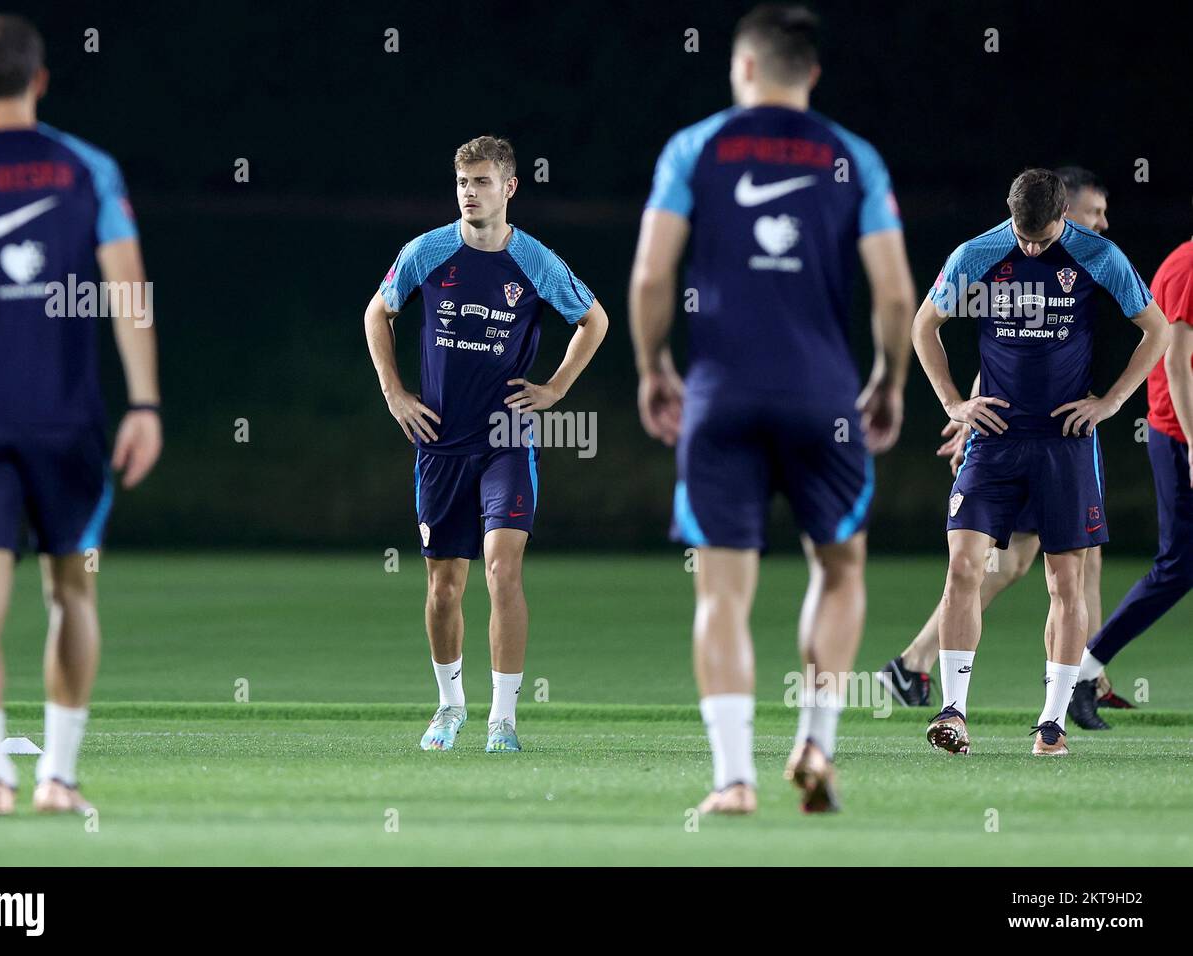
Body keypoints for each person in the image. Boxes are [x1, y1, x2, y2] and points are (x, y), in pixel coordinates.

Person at [629, 3, 915, 813]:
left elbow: (653, 277)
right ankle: (819, 739)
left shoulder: (697, 146)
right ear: (811, 74)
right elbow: (895, 293)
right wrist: (890, 380)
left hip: (719, 398)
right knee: (840, 567)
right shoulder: (852, 157)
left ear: (743, 67)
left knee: (721, 591)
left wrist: (654, 366)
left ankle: (732, 779)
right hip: (824, 397)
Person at [0, 14, 162, 814]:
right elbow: (129, 291)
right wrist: (144, 402)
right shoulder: (86, 168)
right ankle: (60, 778)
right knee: (72, 594)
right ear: (42, 80)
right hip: (66, 421)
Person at [363, 135, 608, 754]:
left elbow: (594, 320)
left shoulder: (533, 260)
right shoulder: (427, 252)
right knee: (445, 586)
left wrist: (553, 389)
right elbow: (377, 314)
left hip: (507, 438)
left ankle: (504, 719)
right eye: (462, 182)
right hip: (440, 443)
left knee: (502, 572)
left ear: (510, 187)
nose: (470, 193)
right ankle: (449, 707)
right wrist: (395, 393)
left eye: (482, 181)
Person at [913, 168, 1168, 756]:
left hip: (1064, 443)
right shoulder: (979, 253)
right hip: (994, 439)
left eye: (1042, 236)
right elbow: (925, 325)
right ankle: (953, 712)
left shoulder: (1096, 254)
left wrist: (1110, 402)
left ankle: (1051, 724)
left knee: (1066, 580)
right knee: (963, 567)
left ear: (1063, 215)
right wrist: (953, 401)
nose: (1030, 247)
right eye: (1022, 237)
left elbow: (1155, 330)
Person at [1069, 217, 1193, 729]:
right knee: (1179, 565)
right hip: (1179, 434)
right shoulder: (1187, 264)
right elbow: (1176, 362)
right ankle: (1083, 673)